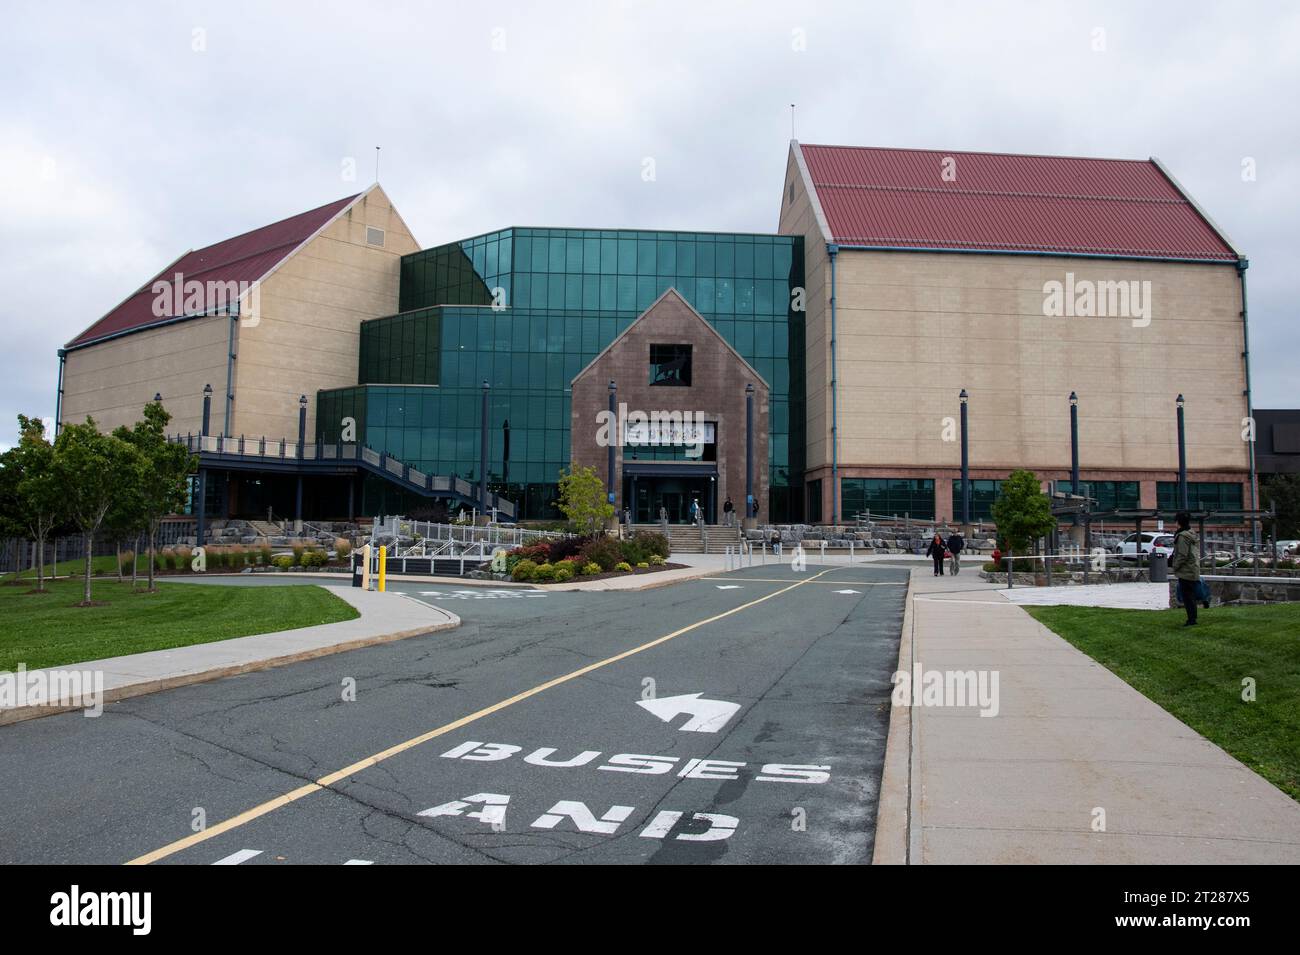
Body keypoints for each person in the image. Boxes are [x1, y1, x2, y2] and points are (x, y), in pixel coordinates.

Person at [1171, 510, 1202, 626]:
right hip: (1192, 568)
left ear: (1178, 522)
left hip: (1186, 570)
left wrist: (1175, 566)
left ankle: (1191, 620)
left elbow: (1182, 555)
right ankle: (1193, 618)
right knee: (1190, 595)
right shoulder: (1191, 533)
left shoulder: (1183, 536)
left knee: (1188, 596)